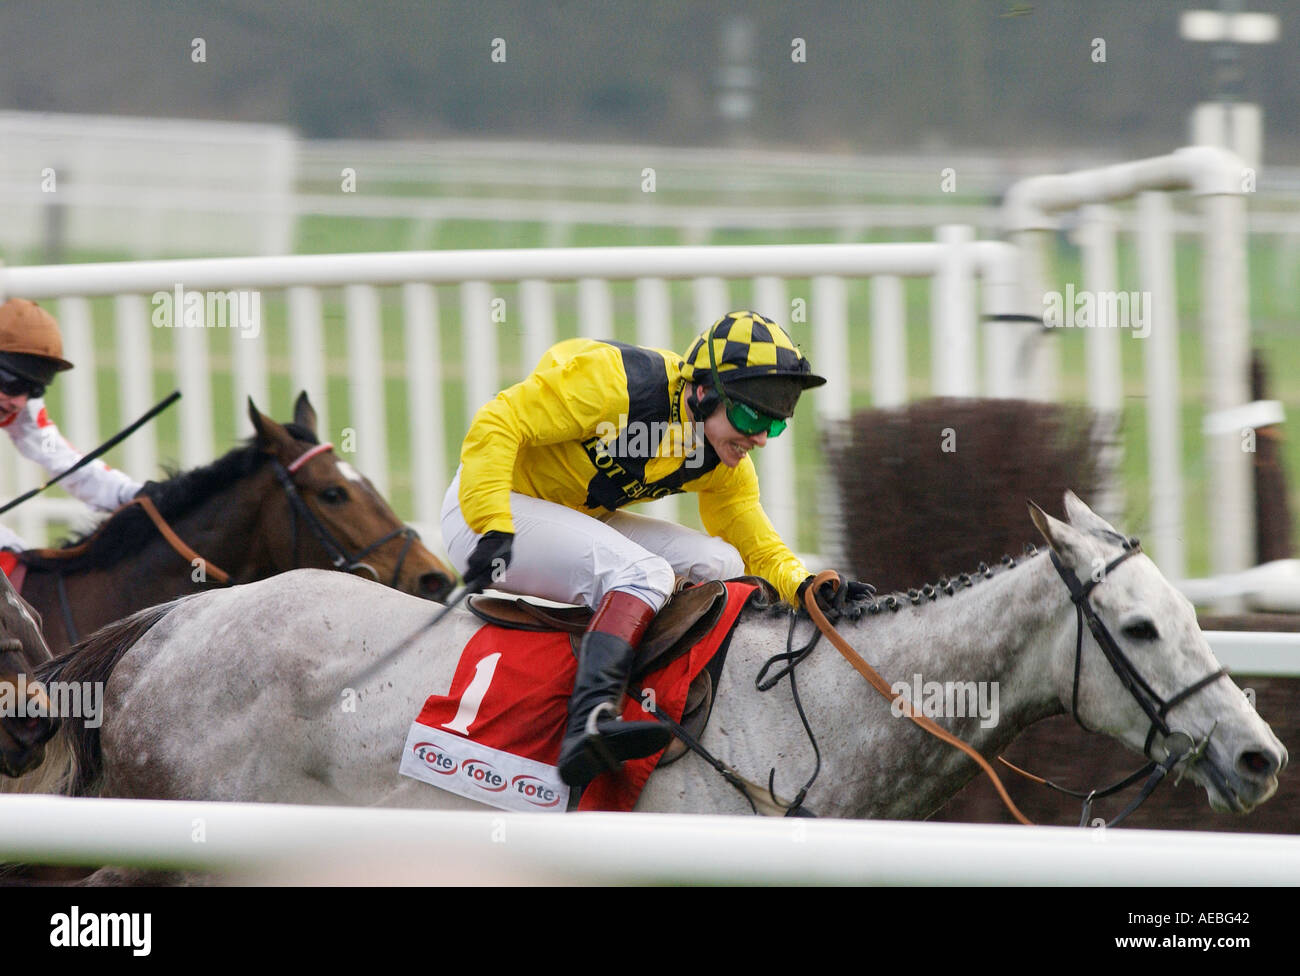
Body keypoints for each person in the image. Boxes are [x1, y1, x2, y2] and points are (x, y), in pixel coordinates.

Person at [441, 310, 871, 787]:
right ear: (702, 390)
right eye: (750, 416)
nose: (758, 440)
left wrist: (805, 587)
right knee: (643, 574)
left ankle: (661, 697)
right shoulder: (614, 384)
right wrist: (492, 523)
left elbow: (755, 544)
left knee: (722, 564)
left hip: (571, 515)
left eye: (774, 426)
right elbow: (499, 420)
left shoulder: (723, 458)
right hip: (486, 513)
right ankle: (590, 721)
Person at [0, 298, 144, 554]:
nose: (19, 402)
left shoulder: (19, 406)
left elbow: (65, 462)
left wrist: (136, 495)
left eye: (33, 390)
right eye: (11, 382)